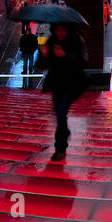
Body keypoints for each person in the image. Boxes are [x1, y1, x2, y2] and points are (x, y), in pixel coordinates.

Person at [39, 22, 88, 159]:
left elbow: (83, 61)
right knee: (60, 116)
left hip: (72, 83)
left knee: (61, 114)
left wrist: (65, 55)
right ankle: (64, 132)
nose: (60, 33)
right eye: (57, 29)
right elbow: (42, 65)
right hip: (56, 84)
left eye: (63, 29)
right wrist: (44, 54)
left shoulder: (77, 40)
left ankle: (60, 148)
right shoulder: (51, 41)